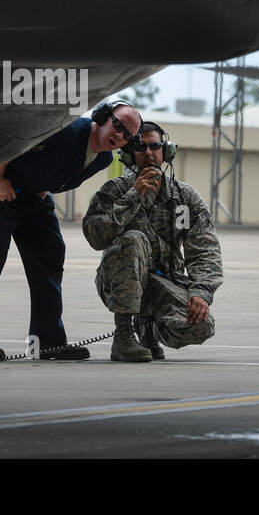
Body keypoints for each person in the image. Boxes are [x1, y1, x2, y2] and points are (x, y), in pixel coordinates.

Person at [0, 100, 144, 359]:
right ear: (103, 117)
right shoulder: (68, 130)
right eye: (117, 126)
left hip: (29, 192)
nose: (119, 136)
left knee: (50, 253)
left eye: (127, 135)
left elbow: (58, 170)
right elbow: (12, 138)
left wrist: (42, 183)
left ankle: (48, 340)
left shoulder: (103, 159)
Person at [81, 122, 223, 362]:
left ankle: (148, 327)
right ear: (129, 154)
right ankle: (124, 334)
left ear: (166, 151)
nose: (148, 153)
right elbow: (95, 237)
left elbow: (205, 248)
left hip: (163, 282)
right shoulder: (114, 191)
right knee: (134, 239)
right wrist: (134, 195)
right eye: (140, 147)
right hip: (117, 282)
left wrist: (201, 291)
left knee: (202, 326)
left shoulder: (184, 197)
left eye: (154, 146)